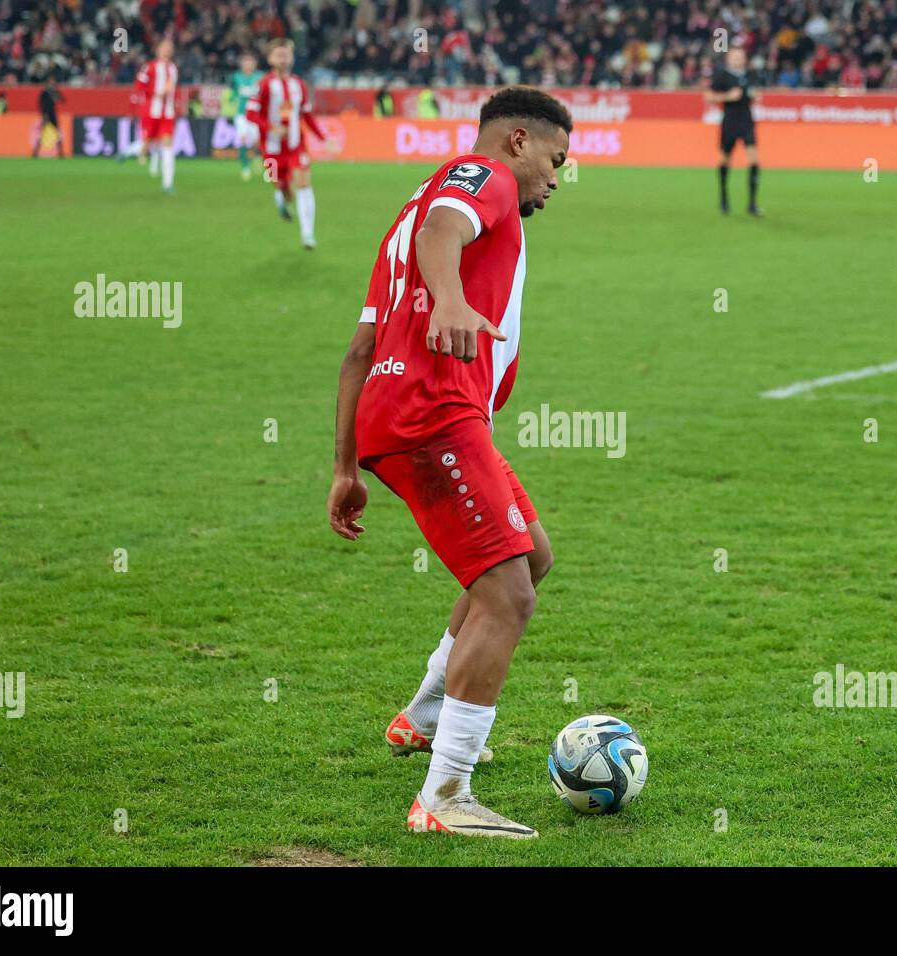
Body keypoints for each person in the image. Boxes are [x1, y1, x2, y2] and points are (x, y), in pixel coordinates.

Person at [327, 87, 572, 839]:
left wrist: (346, 467)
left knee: (530, 558)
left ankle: (426, 715)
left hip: (409, 416)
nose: (556, 181)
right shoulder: (482, 180)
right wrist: (452, 302)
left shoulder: (402, 221)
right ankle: (444, 796)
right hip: (436, 416)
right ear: (519, 141)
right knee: (508, 597)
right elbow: (445, 230)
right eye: (557, 162)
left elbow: (360, 349)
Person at [246, 38, 331, 249]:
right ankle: (281, 198)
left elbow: (307, 116)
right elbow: (250, 114)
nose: (283, 58)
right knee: (281, 186)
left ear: (292, 58)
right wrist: (271, 128)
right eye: (279, 54)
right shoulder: (263, 85)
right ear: (270, 58)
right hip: (271, 149)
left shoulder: (299, 85)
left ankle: (308, 235)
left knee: (304, 183)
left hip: (295, 146)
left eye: (287, 54)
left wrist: (324, 139)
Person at [707, 47, 761, 216]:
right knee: (725, 159)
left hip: (746, 119)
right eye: (734, 56)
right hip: (730, 119)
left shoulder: (750, 75)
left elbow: (754, 92)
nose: (737, 59)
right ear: (728, 59)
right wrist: (728, 96)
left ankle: (752, 203)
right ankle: (724, 199)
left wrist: (755, 96)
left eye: (740, 56)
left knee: (753, 159)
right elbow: (708, 96)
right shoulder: (722, 75)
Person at [134, 38, 179, 193]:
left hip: (167, 114)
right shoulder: (150, 67)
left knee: (167, 144)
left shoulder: (173, 68)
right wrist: (156, 93)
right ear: (158, 50)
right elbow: (139, 86)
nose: (167, 50)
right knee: (146, 145)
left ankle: (168, 183)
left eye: (170, 47)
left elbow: (172, 92)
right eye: (164, 47)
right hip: (151, 113)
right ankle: (128, 152)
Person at [229, 51, 263, 181]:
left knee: (257, 141)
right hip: (241, 113)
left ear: (255, 64)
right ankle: (245, 167)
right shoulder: (236, 77)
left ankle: (256, 157)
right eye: (245, 62)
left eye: (250, 62)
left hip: (256, 114)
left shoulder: (260, 77)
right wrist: (231, 100)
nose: (248, 64)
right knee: (243, 139)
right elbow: (232, 93)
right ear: (242, 64)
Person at [32, 79, 64, 158]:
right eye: (50, 83)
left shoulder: (54, 92)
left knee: (57, 133)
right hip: (46, 115)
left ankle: (60, 152)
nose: (52, 85)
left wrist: (57, 94)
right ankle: (35, 151)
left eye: (53, 83)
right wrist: (44, 115)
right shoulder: (44, 93)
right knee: (42, 134)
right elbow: (41, 105)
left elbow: (62, 100)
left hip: (53, 115)